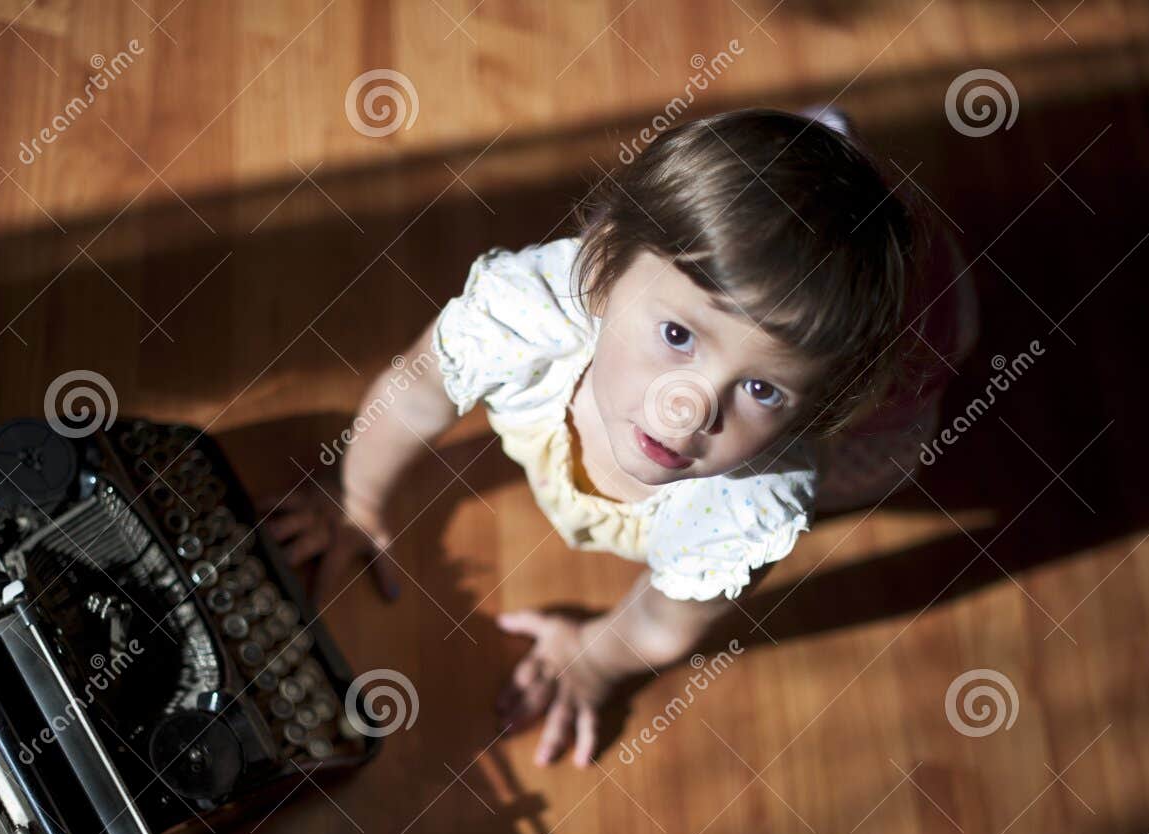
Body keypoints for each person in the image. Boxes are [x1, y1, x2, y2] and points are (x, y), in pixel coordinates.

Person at [267, 107, 979, 766]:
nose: (690, 408)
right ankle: (828, 143)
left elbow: (667, 622)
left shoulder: (747, 503)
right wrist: (356, 494)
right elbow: (420, 389)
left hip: (906, 357)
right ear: (603, 270)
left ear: (813, 409)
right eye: (677, 336)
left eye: (762, 389)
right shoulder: (524, 315)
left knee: (891, 442)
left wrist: (595, 656)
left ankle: (910, 259)